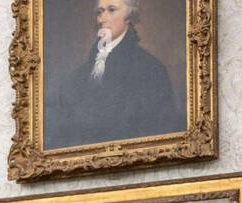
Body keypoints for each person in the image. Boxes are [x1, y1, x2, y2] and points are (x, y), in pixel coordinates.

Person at [45, 0, 184, 149]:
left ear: (129, 16)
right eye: (99, 12)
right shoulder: (79, 75)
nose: (101, 19)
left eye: (111, 10)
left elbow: (161, 131)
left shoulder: (151, 70)